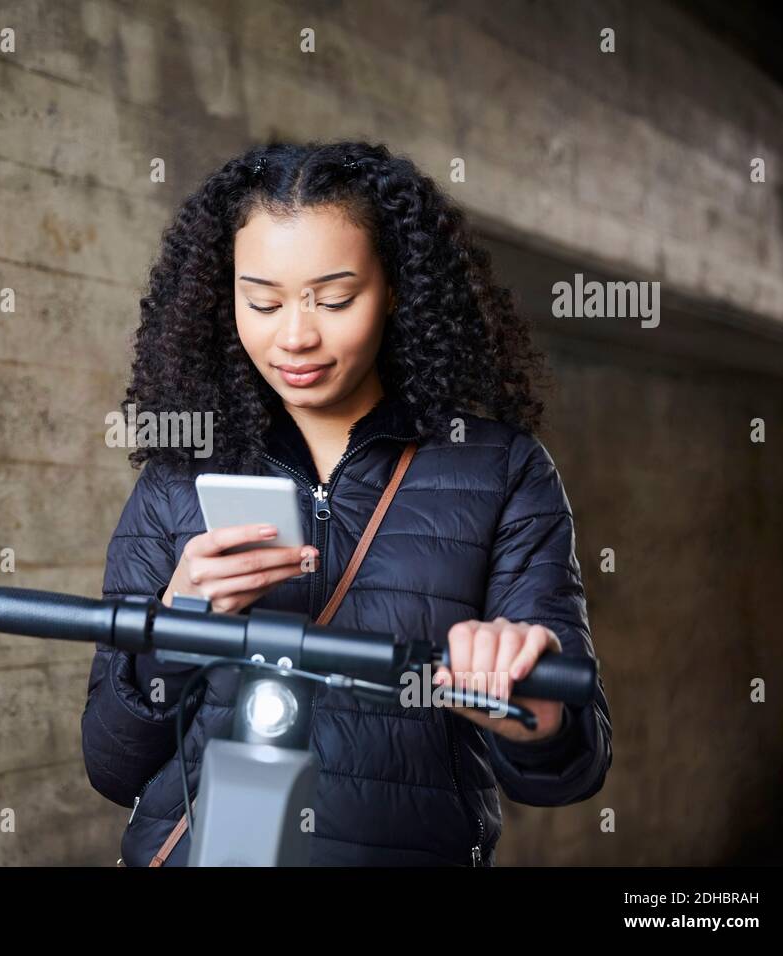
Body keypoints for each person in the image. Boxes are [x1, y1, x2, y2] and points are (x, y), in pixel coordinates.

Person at [81, 140, 612, 866]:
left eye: (334, 299)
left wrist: (536, 718)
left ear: (394, 287)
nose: (295, 335)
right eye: (261, 301)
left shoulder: (500, 470)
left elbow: (573, 769)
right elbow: (111, 768)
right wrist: (173, 626)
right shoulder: (179, 480)